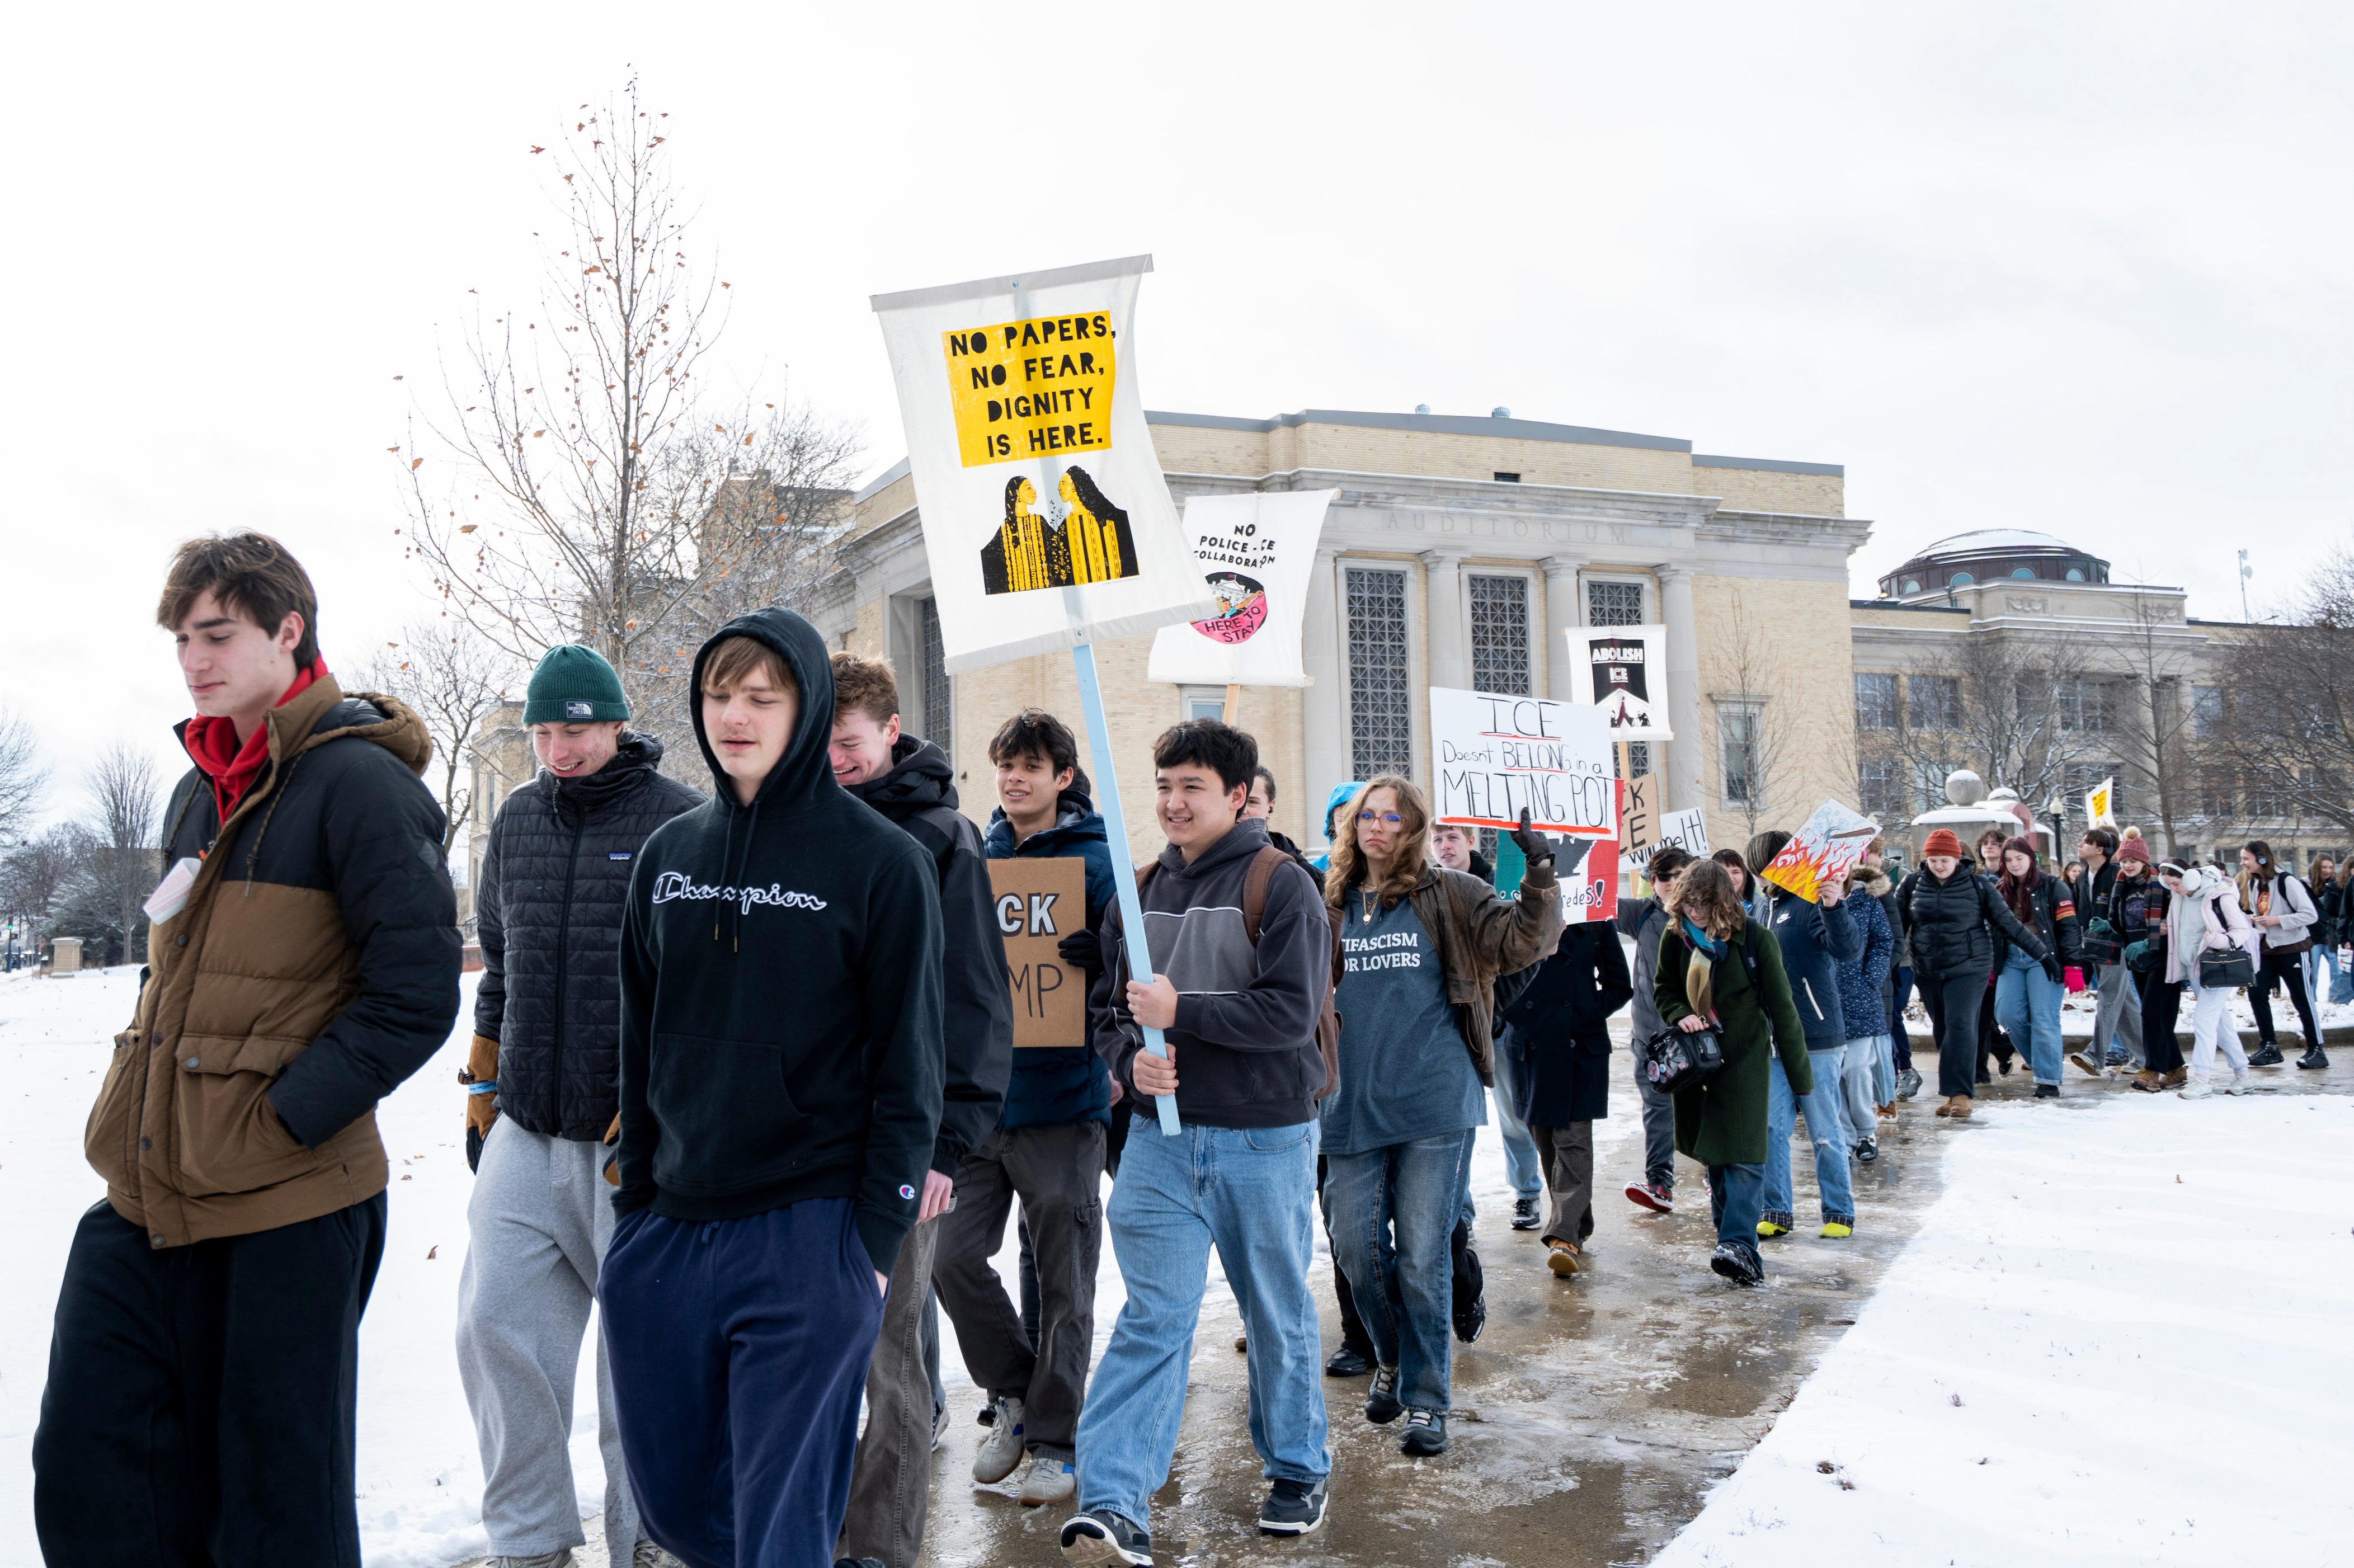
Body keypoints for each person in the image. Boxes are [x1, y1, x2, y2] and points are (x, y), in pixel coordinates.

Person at [35, 532, 462, 1565]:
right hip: (148, 1193)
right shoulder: (200, 785)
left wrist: (282, 1116)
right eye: (183, 637)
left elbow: (415, 993)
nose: (194, 659)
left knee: (278, 1507)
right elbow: (177, 972)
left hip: (288, 1206)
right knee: (96, 1468)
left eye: (217, 633)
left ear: (289, 630)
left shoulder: (360, 787)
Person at [597, 611, 945, 1568]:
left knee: (781, 1523)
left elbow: (908, 1070)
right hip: (668, 1226)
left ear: (809, 705)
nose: (734, 716)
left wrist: (868, 1250)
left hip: (809, 1226)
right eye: (719, 695)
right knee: (673, 1506)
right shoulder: (669, 858)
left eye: (761, 696)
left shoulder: (884, 864)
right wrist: (633, 1201)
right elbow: (638, 1039)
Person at [1065, 721, 1335, 1561]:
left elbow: (1290, 1014)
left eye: (1192, 786)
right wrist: (1127, 1061)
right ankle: (1112, 1498)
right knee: (1152, 1317)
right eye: (1164, 784)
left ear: (1238, 794)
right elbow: (1108, 1011)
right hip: (1158, 1144)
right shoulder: (1136, 888)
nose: (1173, 801)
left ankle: (1297, 1464)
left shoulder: (1282, 884)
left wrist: (1181, 1012)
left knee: (1276, 1310)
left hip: (1265, 1136)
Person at [458, 644, 702, 1568]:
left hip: (630, 1134)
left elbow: (702, 994)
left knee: (638, 1354)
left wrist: (663, 1104)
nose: (558, 747)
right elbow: (499, 963)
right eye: (545, 731)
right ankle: (528, 1536)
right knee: (494, 1321)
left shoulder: (682, 822)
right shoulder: (516, 820)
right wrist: (484, 1081)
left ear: (615, 725)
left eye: (576, 729)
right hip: (525, 1117)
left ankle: (649, 1535)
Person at [827, 654, 1014, 1566]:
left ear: (889, 732)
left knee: (887, 1351)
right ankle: (816, 1525)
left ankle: (881, 1546)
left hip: (902, 1140)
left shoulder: (943, 837)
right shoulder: (791, 826)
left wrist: (947, 1143)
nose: (832, 758)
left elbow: (974, 999)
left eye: (848, 743)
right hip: (802, 1138)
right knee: (817, 1345)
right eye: (819, 739)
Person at [1320, 779, 1561, 1456]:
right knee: (1355, 1252)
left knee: (1423, 1257)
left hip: (1434, 1100)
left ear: (1414, 827)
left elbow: (1525, 942)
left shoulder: (1450, 893)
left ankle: (1427, 1400)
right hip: (1346, 1103)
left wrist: (1537, 874)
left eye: (1391, 817)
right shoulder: (1328, 901)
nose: (1376, 827)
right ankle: (1391, 1355)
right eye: (1366, 816)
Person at [939, 707, 1115, 1512]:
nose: (1015, 779)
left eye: (1031, 767)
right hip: (979, 1104)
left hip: (1061, 1104)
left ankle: (1055, 1439)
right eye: (1006, 764)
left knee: (1066, 1278)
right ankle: (1014, 1390)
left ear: (1063, 778)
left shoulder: (1100, 861)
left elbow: (1137, 972)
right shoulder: (973, 852)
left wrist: (1103, 952)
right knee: (950, 1256)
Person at [1651, 859, 1812, 1288]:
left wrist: (1802, 1081)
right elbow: (1663, 987)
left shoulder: (1756, 939)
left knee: (1744, 1152)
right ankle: (1732, 1243)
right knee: (1717, 1157)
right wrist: (1681, 1012)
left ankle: (1739, 1244)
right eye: (1688, 905)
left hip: (1744, 1057)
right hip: (1697, 1062)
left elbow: (1783, 1009)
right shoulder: (1677, 936)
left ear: (1722, 901)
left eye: (1703, 905)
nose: (1695, 913)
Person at [1496, 912, 1631, 1277]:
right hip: (1530, 1046)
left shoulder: (1597, 922)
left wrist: (1585, 1011)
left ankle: (1563, 1236)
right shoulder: (1516, 913)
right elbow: (1495, 975)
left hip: (1578, 1046)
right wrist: (1509, 1015)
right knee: (1547, 1144)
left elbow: (1621, 985)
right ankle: (1577, 1222)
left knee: (1573, 1140)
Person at [1745, 833, 1865, 1241]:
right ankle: (1776, 1210)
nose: (1763, 874)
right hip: (1773, 1039)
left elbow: (1846, 948)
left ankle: (1839, 1211)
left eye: (1767, 863)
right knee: (1773, 1129)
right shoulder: (1762, 908)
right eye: (1757, 867)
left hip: (1814, 1034)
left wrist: (1833, 905)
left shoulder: (1809, 900)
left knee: (1825, 1130)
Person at [1430, 817, 1543, 1235]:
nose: (1444, 845)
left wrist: (1494, 1009)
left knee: (1513, 1116)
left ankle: (1527, 1192)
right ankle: (1460, 1213)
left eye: (1452, 837)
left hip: (1497, 1026)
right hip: (1447, 1028)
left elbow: (1525, 956)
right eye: (1437, 838)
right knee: (1451, 1126)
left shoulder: (1498, 886)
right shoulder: (1424, 889)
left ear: (1471, 841)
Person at [1904, 827, 2051, 1119]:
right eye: (1933, 860)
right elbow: (1895, 927)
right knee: (1943, 1028)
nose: (1939, 866)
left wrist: (2043, 955)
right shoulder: (1912, 885)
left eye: (1945, 860)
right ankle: (1950, 1094)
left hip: (1970, 966)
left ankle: (1961, 1095)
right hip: (1929, 968)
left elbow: (2009, 924)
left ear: (1958, 859)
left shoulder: (1979, 886)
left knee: (1960, 1025)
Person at [1617, 845, 1697, 1212]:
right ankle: (1659, 1184)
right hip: (1651, 1036)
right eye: (1666, 876)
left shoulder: (1707, 915)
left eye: (1682, 874)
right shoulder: (1643, 913)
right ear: (1654, 882)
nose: (1673, 881)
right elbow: (1595, 901)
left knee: (1701, 1109)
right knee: (1658, 1109)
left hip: (1696, 1036)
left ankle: (1718, 1176)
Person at [2158, 859, 2259, 1099]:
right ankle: (2243, 1076)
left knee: (2203, 1021)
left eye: (2176, 883)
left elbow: (2241, 931)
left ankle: (2202, 1078)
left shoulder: (2219, 896)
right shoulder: (2181, 897)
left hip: (2218, 968)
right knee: (2221, 1025)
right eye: (2169, 885)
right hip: (2196, 968)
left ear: (2191, 877)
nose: (2174, 889)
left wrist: (2217, 940)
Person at [1993, 837, 2082, 1098]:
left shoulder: (2054, 886)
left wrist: (2073, 966)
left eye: (2019, 858)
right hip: (2011, 959)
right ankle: (2042, 1058)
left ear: (2031, 858)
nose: (2014, 864)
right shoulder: (2000, 888)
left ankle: (2048, 1079)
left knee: (2044, 1019)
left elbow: (2069, 928)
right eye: (2008, 860)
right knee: (2007, 1015)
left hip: (2045, 959)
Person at [2238, 840, 2324, 1069]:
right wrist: (2253, 920)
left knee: (2302, 998)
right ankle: (2269, 1046)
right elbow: (2261, 913)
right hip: (2266, 949)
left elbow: (2310, 915)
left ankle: (2316, 1049)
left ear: (2262, 859)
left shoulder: (2288, 881)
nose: (2242, 863)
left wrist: (2278, 921)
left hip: (2293, 949)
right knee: (2257, 995)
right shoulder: (2254, 883)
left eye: (2246, 858)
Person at [1833, 858, 1896, 1164]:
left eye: (1840, 866)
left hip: (1860, 999)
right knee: (1831, 1075)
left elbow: (1884, 941)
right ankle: (1845, 1138)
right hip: (1824, 1001)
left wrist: (1871, 977)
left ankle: (1866, 1132)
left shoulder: (1866, 901)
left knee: (1856, 1069)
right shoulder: (1808, 899)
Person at [2068, 827, 2144, 1076]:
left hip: (2117, 946)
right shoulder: (2082, 878)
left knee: (2109, 996)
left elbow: (2130, 909)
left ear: (2100, 849)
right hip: (2093, 946)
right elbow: (2081, 913)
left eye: (2086, 842)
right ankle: (2146, 1056)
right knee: (2125, 1005)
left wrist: (2115, 928)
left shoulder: (2116, 874)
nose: (2080, 845)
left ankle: (2096, 1055)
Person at [2110, 836, 2181, 1093]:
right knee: (2158, 1017)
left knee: (2151, 1014)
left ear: (2144, 861)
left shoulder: (2160, 885)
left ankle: (2151, 1071)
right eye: (2124, 860)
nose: (2128, 865)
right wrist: (2110, 927)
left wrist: (2156, 936)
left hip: (2162, 958)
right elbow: (2120, 920)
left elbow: (2175, 921)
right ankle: (2176, 1068)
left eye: (2133, 860)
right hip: (2136, 958)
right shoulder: (2121, 885)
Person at [2308, 854, 2342, 1013]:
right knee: (2313, 972)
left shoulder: (2338, 885)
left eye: (2330, 867)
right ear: (2317, 868)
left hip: (2332, 936)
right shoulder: (2305, 884)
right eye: (2324, 867)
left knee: (2337, 971)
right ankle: (2312, 1003)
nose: (2328, 871)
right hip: (2313, 936)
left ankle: (2335, 1002)